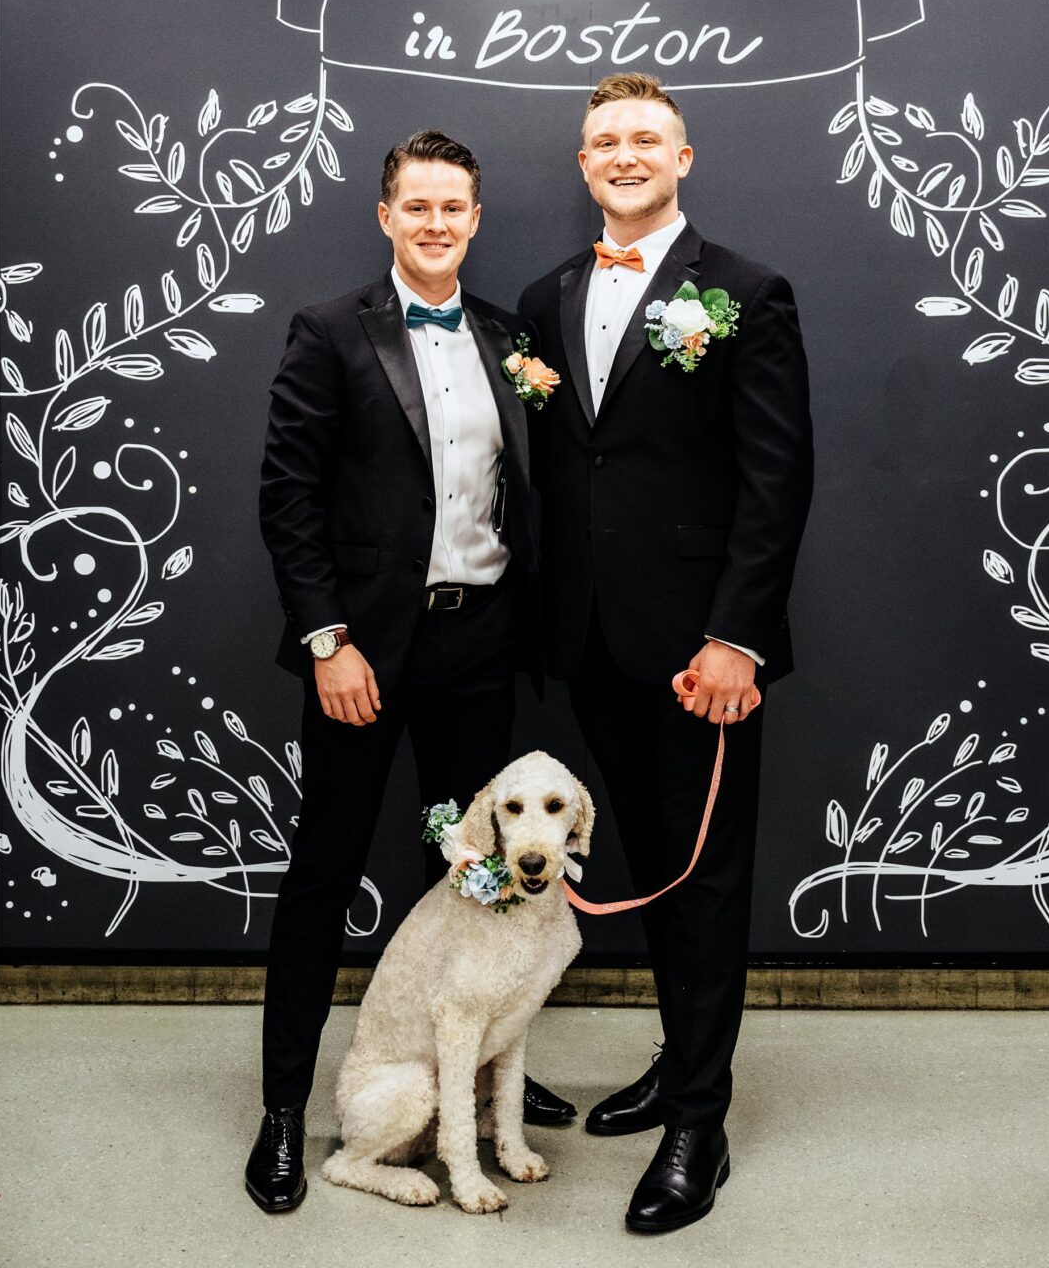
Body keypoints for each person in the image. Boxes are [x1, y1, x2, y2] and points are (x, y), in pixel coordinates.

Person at [245, 129, 573, 1215]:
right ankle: (287, 1106)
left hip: (478, 642)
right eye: (417, 206)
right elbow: (287, 496)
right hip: (365, 651)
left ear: (475, 219)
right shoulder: (330, 329)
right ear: (386, 215)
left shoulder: (507, 333)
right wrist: (328, 640)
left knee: (478, 875)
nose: (436, 223)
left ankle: (484, 1082)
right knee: (326, 868)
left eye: (454, 207)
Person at [520, 71, 812, 1236]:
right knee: (652, 870)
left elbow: (776, 474)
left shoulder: (746, 292)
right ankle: (679, 1057)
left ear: (683, 156)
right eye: (605, 140)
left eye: (646, 136)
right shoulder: (544, 299)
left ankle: (701, 1119)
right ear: (584, 163)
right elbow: (562, 467)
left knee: (707, 877)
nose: (625, 152)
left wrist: (735, 635)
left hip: (702, 653)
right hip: (587, 640)